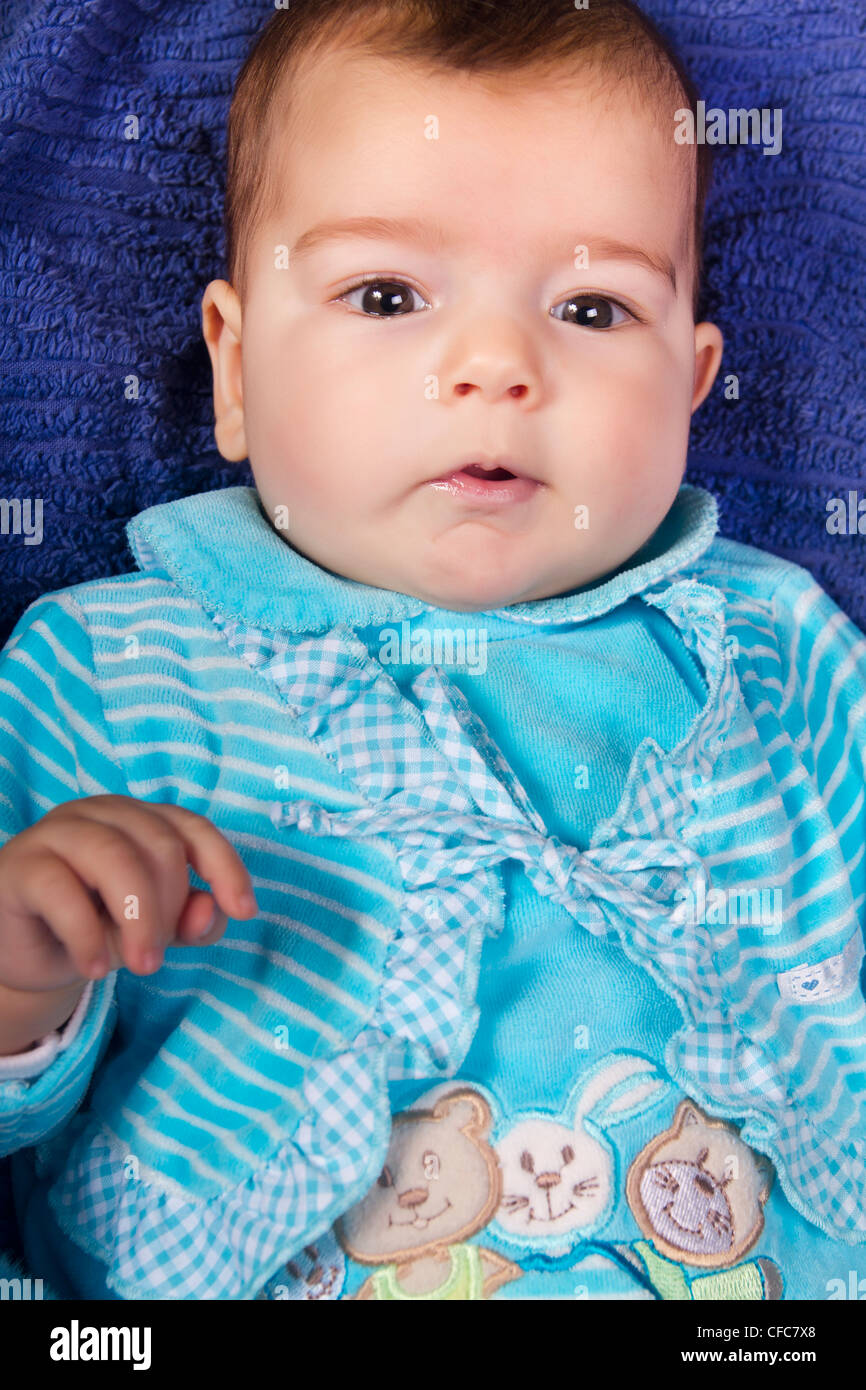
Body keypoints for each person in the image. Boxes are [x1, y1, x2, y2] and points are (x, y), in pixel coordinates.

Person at [0, 0, 864, 1300]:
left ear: (690, 389)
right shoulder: (106, 672)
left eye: (589, 306)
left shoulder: (776, 650)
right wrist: (20, 978)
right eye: (387, 294)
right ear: (232, 372)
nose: (493, 364)